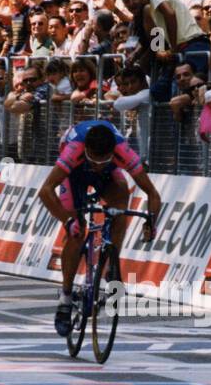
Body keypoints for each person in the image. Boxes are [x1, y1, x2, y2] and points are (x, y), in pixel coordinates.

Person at [37, 120, 162, 336]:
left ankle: (111, 261)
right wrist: (68, 221)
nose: (97, 166)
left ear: (112, 153)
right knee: (76, 233)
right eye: (93, 161)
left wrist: (151, 221)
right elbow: (45, 191)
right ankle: (65, 300)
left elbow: (153, 193)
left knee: (121, 199)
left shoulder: (122, 149)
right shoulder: (74, 148)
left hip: (108, 177)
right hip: (74, 175)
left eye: (103, 161)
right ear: (86, 150)